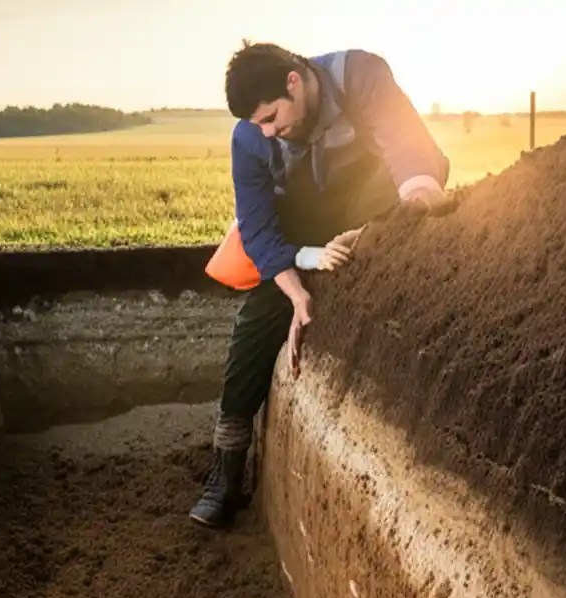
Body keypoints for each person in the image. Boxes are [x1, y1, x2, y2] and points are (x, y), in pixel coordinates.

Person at [190, 42, 455, 528]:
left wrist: (395, 222)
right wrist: (295, 288)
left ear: (294, 81)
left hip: (375, 211)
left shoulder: (359, 75)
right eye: (260, 125)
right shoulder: (251, 138)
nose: (269, 131)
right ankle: (226, 470)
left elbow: (408, 150)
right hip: (303, 236)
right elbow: (257, 227)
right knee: (254, 322)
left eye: (272, 117)